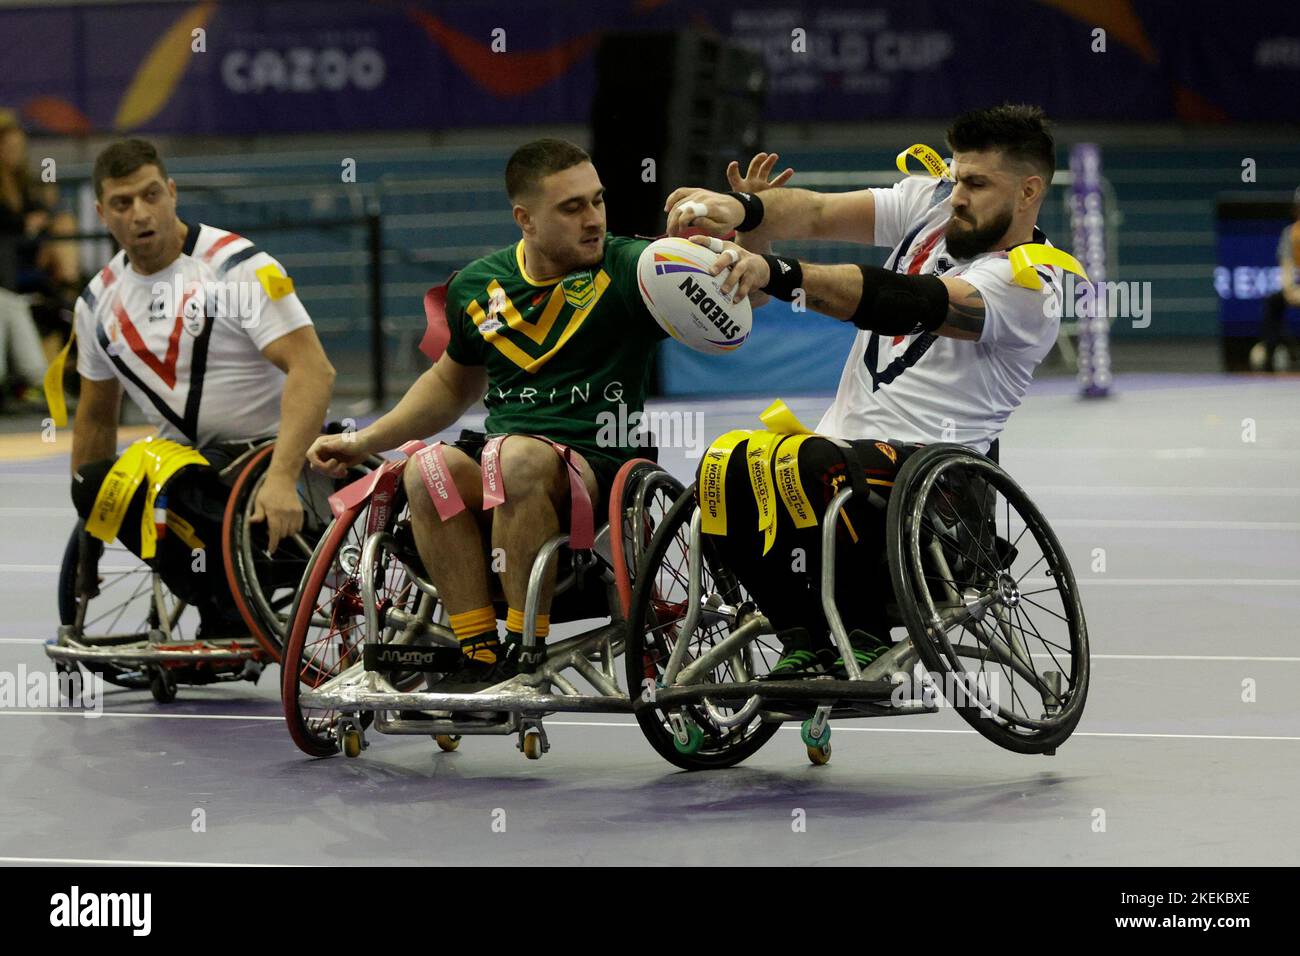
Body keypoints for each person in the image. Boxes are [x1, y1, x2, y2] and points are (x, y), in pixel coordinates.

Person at [306, 139, 788, 692]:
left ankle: (521, 651)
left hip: (600, 465)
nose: (594, 220)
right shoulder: (476, 288)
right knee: (426, 470)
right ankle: (480, 653)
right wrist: (362, 439)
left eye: (598, 201)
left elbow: (748, 299)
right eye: (573, 207)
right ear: (525, 219)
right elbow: (449, 384)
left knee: (517, 459)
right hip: (500, 465)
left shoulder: (633, 269)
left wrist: (757, 231)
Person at [665, 103, 1075, 677]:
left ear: (1029, 191)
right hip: (840, 455)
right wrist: (739, 210)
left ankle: (865, 636)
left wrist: (780, 274)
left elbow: (902, 301)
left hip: (935, 486)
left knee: (809, 465)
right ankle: (802, 638)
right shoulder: (932, 203)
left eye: (978, 184)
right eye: (959, 177)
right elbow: (815, 211)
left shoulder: (1036, 283)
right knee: (722, 466)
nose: (959, 195)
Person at [68, 139, 336, 638]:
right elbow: (96, 418)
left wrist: (280, 479)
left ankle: (227, 601)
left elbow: (313, 370)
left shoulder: (239, 268)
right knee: (95, 482)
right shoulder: (96, 302)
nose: (140, 213)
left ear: (172, 192)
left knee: (184, 479)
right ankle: (219, 599)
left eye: (151, 195)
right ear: (103, 214)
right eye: (123, 204)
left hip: (271, 466)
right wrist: (91, 535)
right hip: (188, 478)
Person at [0, 118, 56, 410]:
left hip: (20, 270)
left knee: (14, 304)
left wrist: (38, 231)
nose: (14, 152)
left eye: (19, 147)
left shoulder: (25, 183)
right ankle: (37, 381)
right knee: (7, 303)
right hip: (4, 275)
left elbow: (43, 213)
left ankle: (39, 382)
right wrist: (24, 224)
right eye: (8, 147)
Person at [1251, 187, 1300, 372]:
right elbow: (1287, 266)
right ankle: (1270, 355)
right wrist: (1290, 290)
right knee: (1273, 303)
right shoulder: (1291, 233)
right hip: (1297, 290)